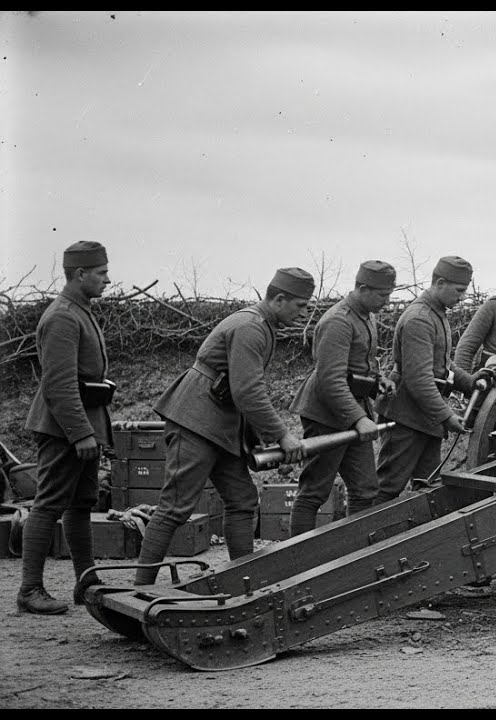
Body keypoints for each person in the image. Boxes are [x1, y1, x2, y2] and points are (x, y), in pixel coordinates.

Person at [132, 268, 313, 585]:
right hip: (196, 421)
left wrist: (257, 436)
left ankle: (243, 579)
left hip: (219, 426)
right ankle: (140, 586)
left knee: (242, 500)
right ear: (280, 298)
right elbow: (247, 391)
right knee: (176, 507)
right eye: (300, 305)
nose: (305, 312)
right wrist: (282, 435)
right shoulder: (251, 328)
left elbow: (241, 389)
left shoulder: (261, 325)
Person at [17, 241, 114, 614]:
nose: (108, 279)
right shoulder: (62, 317)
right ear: (80, 274)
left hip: (79, 424)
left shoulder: (79, 312)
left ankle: (85, 579)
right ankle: (29, 589)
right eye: (102, 273)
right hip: (63, 427)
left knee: (80, 503)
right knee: (49, 504)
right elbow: (59, 386)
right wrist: (81, 434)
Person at [287, 260, 397, 537]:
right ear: (362, 288)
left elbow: (359, 365)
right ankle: (294, 563)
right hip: (326, 413)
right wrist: (359, 418)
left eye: (389, 294)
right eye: (382, 295)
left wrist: (377, 382)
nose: (386, 301)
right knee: (314, 491)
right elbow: (330, 379)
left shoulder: (366, 315)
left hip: (351, 411)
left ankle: (354, 557)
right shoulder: (338, 321)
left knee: (365, 489)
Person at [372, 256, 478, 505]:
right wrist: (447, 416)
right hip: (406, 417)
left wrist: (471, 383)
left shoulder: (436, 313)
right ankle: (365, 541)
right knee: (388, 488)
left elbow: (443, 365)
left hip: (425, 417)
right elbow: (419, 379)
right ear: (440, 283)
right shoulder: (420, 318)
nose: (462, 297)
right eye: (459, 290)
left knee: (428, 487)